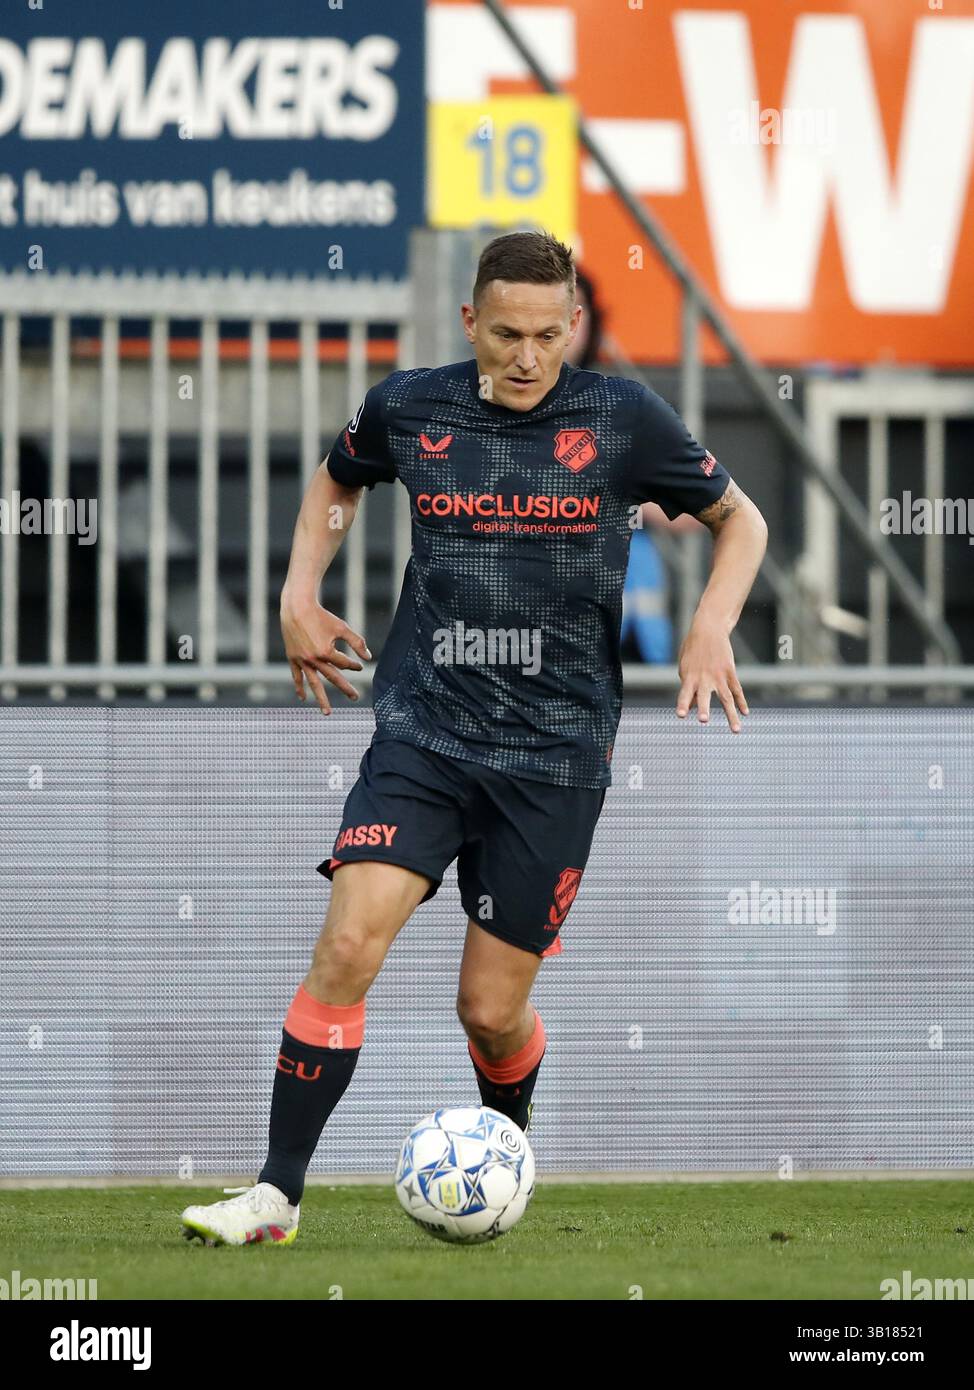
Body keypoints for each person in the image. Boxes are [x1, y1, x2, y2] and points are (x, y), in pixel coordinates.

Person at [180, 230, 768, 1246]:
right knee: (348, 939)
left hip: (554, 759)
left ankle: (503, 1155)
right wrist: (296, 594)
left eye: (546, 333)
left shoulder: (621, 418)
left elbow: (739, 520)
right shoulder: (412, 404)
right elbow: (336, 479)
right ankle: (275, 1194)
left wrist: (709, 623)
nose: (527, 356)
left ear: (571, 325)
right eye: (506, 334)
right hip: (424, 733)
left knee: (488, 1012)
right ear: (470, 324)